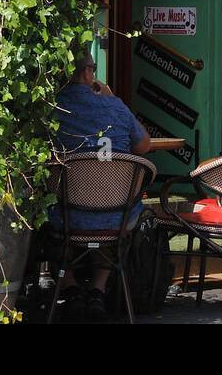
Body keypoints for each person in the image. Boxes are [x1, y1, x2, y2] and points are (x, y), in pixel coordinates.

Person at [52, 52, 152, 320]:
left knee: (41, 214)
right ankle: (97, 289)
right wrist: (110, 98)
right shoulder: (115, 106)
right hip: (116, 217)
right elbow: (143, 145)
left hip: (67, 216)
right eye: (93, 70)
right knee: (111, 207)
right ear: (87, 73)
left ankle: (71, 287)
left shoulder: (53, 108)